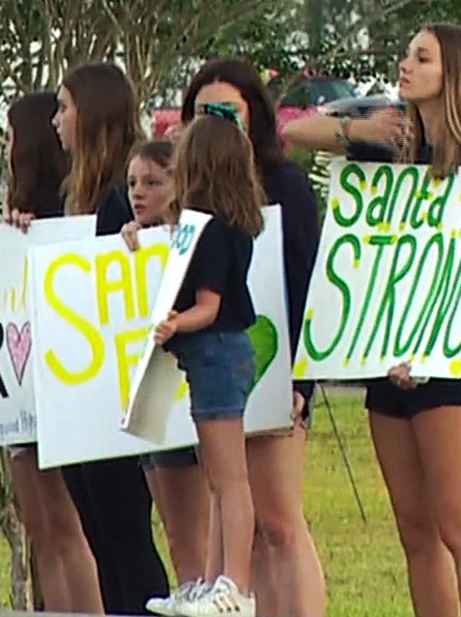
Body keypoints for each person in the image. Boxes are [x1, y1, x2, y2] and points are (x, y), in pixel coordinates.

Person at [283, 23, 461, 617]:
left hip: (453, 352)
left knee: (460, 523)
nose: (405, 65)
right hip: (385, 347)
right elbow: (294, 130)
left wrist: (434, 344)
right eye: (405, 55)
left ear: (458, 75)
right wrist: (359, 129)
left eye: (421, 58)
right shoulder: (389, 144)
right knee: (414, 530)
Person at [179, 58, 325, 617]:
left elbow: (307, 283)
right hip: (214, 371)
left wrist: (303, 382)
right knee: (238, 517)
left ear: (253, 117)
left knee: (281, 520)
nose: (213, 123)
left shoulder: (284, 185)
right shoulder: (190, 196)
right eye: (201, 113)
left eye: (226, 111)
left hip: (277, 371)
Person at [28, 61, 171, 614]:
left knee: (124, 531)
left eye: (64, 106)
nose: (57, 119)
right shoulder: (77, 189)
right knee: (100, 532)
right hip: (83, 390)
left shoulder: (121, 190)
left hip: (122, 387)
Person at [150, 105, 266, 617]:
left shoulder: (215, 230)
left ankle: (234, 586)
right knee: (217, 480)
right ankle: (216, 579)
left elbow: (210, 307)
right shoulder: (217, 227)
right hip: (213, 355)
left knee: (230, 479)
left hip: (217, 349)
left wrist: (174, 324)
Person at [3, 92, 103, 614]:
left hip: (61, 383)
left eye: (12, 135)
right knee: (42, 530)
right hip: (21, 386)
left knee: (67, 530)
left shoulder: (73, 206)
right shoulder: (16, 216)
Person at [118, 141, 212, 617]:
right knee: (174, 529)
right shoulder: (135, 240)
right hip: (148, 387)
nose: (139, 193)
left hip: (186, 388)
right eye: (133, 183)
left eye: (153, 182)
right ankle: (185, 596)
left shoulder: (198, 237)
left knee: (195, 526)